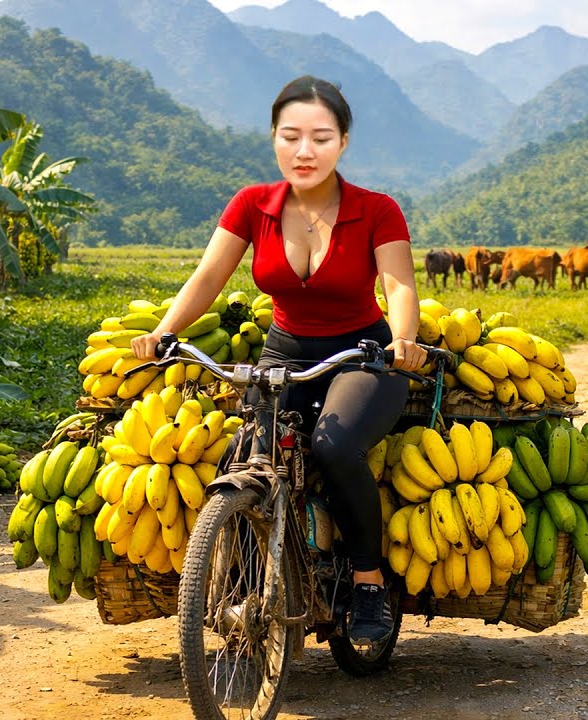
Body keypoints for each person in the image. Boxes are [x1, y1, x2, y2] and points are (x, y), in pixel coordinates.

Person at [131, 75, 425, 646]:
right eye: (291, 136)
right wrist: (164, 331)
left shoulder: (376, 210)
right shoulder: (251, 205)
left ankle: (367, 581)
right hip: (282, 354)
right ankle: (241, 583)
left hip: (361, 354)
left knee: (334, 446)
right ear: (274, 139)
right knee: (244, 455)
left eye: (320, 136)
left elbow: (400, 287)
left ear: (343, 141)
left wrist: (403, 339)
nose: (304, 150)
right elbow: (208, 278)